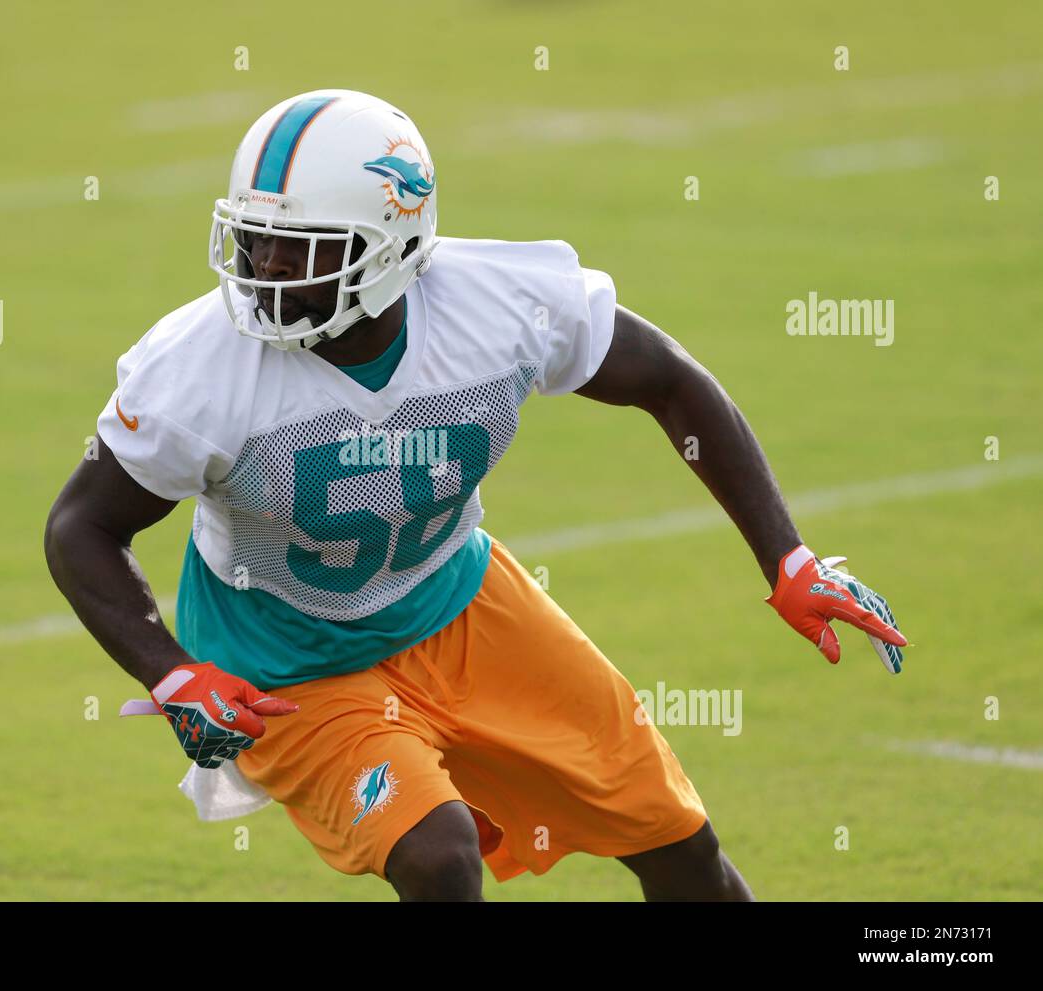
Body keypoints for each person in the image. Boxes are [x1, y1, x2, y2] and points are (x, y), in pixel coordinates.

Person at [44, 89, 907, 901]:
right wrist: (172, 674)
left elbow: (672, 384)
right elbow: (81, 526)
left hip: (461, 605)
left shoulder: (497, 308)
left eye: (298, 246)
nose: (264, 266)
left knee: (679, 842)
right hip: (290, 663)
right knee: (439, 852)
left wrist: (787, 558)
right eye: (255, 238)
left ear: (389, 243)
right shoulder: (198, 367)